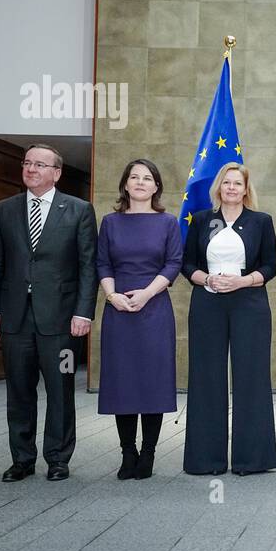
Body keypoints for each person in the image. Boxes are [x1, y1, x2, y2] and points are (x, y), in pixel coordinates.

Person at [0, 144, 97, 483]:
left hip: (61, 320)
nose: (31, 169)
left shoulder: (78, 210)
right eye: (27, 163)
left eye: (40, 164)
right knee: (18, 390)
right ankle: (22, 459)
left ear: (57, 173)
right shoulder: (5, 209)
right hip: (15, 318)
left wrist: (84, 312)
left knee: (61, 390)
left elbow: (87, 266)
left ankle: (58, 458)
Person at [181, 163, 276, 476]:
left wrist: (243, 281)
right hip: (207, 305)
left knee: (251, 378)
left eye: (238, 183)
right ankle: (206, 460)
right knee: (206, 378)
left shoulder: (261, 221)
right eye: (227, 183)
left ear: (246, 188)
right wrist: (206, 280)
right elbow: (186, 264)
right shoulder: (200, 220)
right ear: (219, 188)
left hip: (249, 304)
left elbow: (270, 267)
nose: (232, 188)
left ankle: (252, 459)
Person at [96, 159, 182, 480]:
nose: (141, 182)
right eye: (134, 177)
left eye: (147, 178)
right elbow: (102, 263)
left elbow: (173, 264)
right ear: (126, 184)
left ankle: (148, 453)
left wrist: (146, 294)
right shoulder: (110, 222)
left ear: (156, 186)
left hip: (154, 310)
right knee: (123, 382)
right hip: (118, 312)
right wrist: (112, 295)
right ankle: (127, 452)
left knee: (152, 381)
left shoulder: (168, 222)